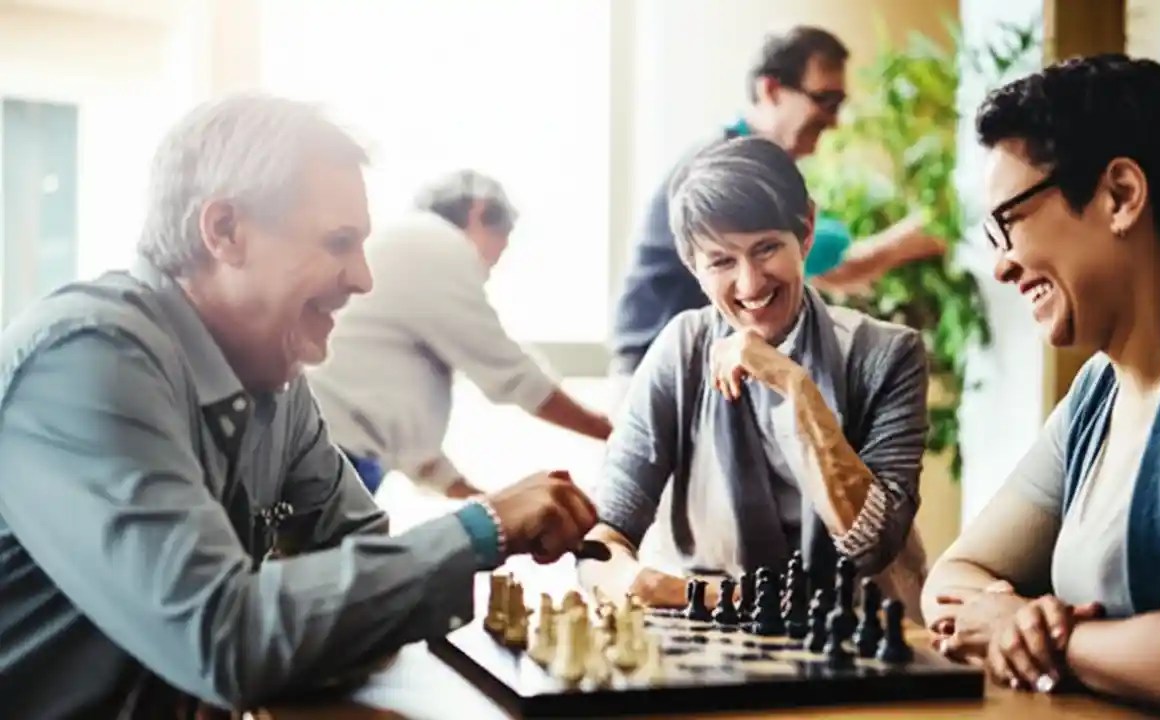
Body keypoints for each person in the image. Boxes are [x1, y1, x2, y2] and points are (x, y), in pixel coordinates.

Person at [0, 94, 598, 717]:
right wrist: (483, 527)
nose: (364, 279)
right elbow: (223, 636)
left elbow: (367, 583)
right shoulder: (87, 360)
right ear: (224, 231)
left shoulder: (277, 386)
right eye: (339, 243)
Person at [921, 55, 1160, 717]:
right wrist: (1010, 614)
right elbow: (949, 582)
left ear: (1119, 195)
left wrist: (1026, 632)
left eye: (1010, 222)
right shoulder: (1096, 393)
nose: (1001, 266)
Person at [579, 136, 931, 622]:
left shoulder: (888, 355)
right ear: (692, 265)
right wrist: (655, 585)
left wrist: (796, 388)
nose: (750, 284)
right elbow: (603, 540)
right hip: (716, 628)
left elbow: (873, 545)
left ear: (806, 231)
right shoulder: (681, 353)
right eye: (721, 261)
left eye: (766, 249)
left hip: (858, 629)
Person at [609, 25, 945, 392]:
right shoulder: (728, 167)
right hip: (661, 375)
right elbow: (832, 262)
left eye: (839, 104)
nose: (834, 119)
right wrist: (918, 236)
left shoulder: (748, 162)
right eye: (825, 100)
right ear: (770, 90)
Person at [307, 169, 612, 498]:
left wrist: (494, 508)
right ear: (479, 211)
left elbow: (418, 452)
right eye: (502, 244)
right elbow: (512, 376)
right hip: (331, 454)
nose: (490, 268)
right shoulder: (434, 242)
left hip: (339, 449)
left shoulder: (404, 255)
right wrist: (618, 434)